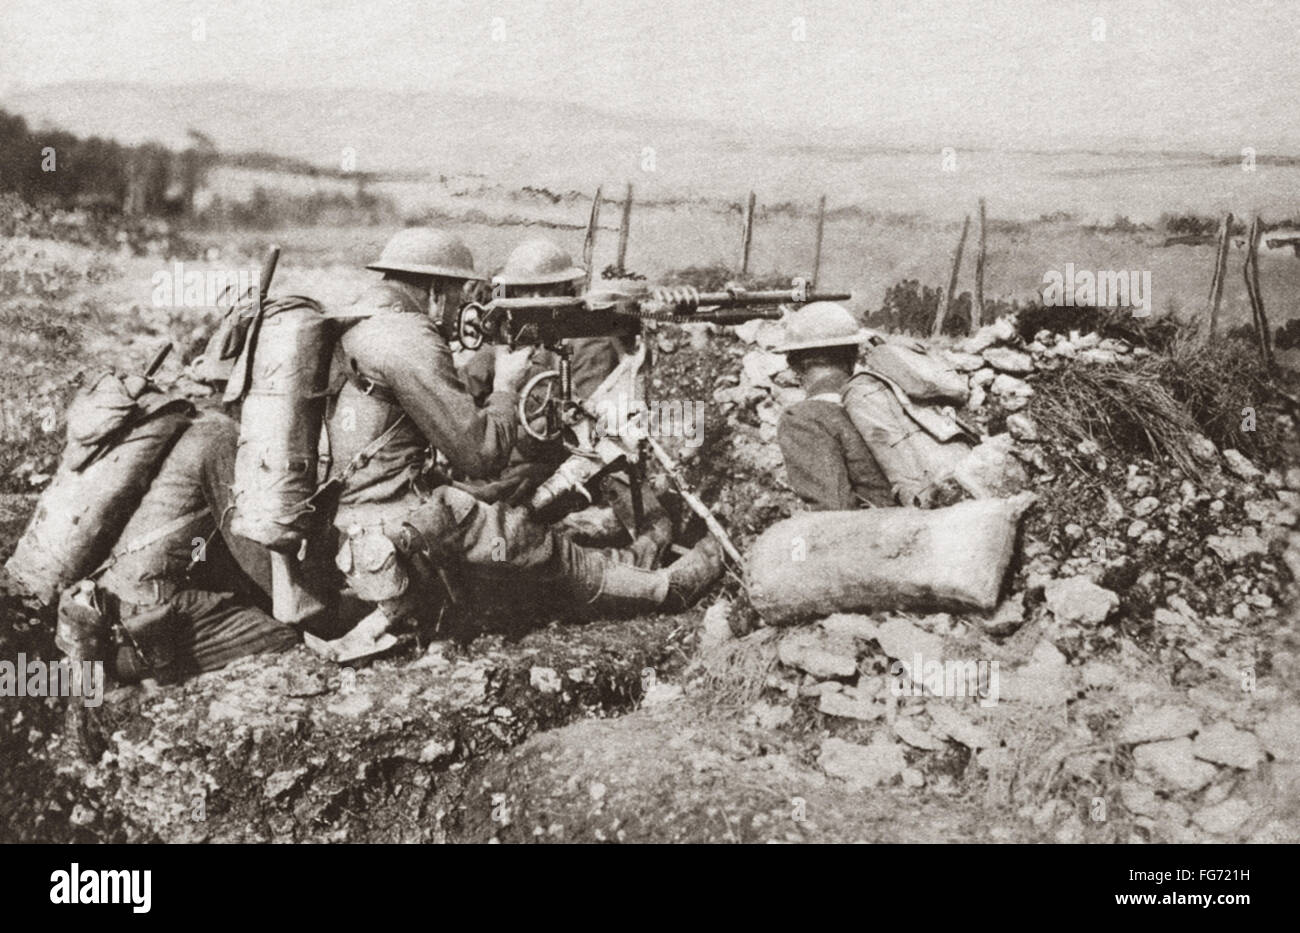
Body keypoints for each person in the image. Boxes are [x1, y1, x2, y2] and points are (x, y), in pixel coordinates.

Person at [324, 228, 721, 642]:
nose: (464, 305)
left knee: (517, 550)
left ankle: (639, 554)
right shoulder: (411, 340)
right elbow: (480, 454)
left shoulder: (366, 321)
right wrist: (507, 384)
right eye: (460, 293)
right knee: (542, 551)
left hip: (365, 520)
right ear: (436, 292)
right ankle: (664, 591)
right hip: (408, 517)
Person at [775, 302, 968, 511]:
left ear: (793, 363)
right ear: (854, 355)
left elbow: (832, 512)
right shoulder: (890, 395)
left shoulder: (802, 419)